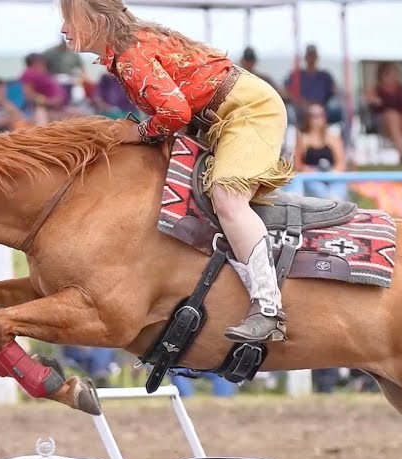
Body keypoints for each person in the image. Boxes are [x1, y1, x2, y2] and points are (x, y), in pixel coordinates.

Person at [59, 0, 295, 344]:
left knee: (228, 200)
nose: (64, 29)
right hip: (223, 113)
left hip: (247, 111)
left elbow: (174, 113)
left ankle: (268, 308)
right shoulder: (128, 49)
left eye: (69, 19)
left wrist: (138, 133)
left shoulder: (130, 58)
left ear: (94, 20)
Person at [284, 102, 347, 200]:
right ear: (308, 118)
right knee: (315, 185)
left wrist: (334, 172)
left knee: (339, 183)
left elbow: (341, 161)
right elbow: (297, 164)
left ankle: (336, 201)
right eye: (314, 116)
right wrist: (309, 171)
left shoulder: (333, 138)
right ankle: (330, 202)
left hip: (331, 174)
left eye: (320, 115)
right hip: (311, 176)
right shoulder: (302, 138)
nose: (317, 119)